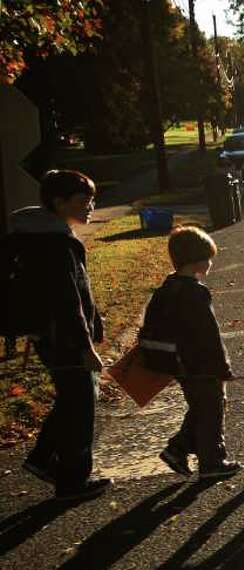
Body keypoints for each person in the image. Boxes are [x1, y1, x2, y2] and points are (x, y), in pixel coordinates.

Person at [12, 170, 110, 501]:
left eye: (92, 200)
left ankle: (43, 460)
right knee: (80, 406)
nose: (90, 207)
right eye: (83, 201)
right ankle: (72, 482)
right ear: (59, 202)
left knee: (73, 399)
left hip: (51, 334)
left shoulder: (45, 236)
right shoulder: (54, 243)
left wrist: (96, 320)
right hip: (62, 337)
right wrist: (84, 346)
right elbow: (66, 301)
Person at [140, 226, 241, 478]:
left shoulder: (166, 289)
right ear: (197, 261)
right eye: (208, 258)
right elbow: (209, 336)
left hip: (177, 363)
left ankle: (179, 448)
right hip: (201, 364)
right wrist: (223, 368)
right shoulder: (196, 292)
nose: (210, 264)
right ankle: (212, 462)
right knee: (211, 410)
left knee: (200, 407)